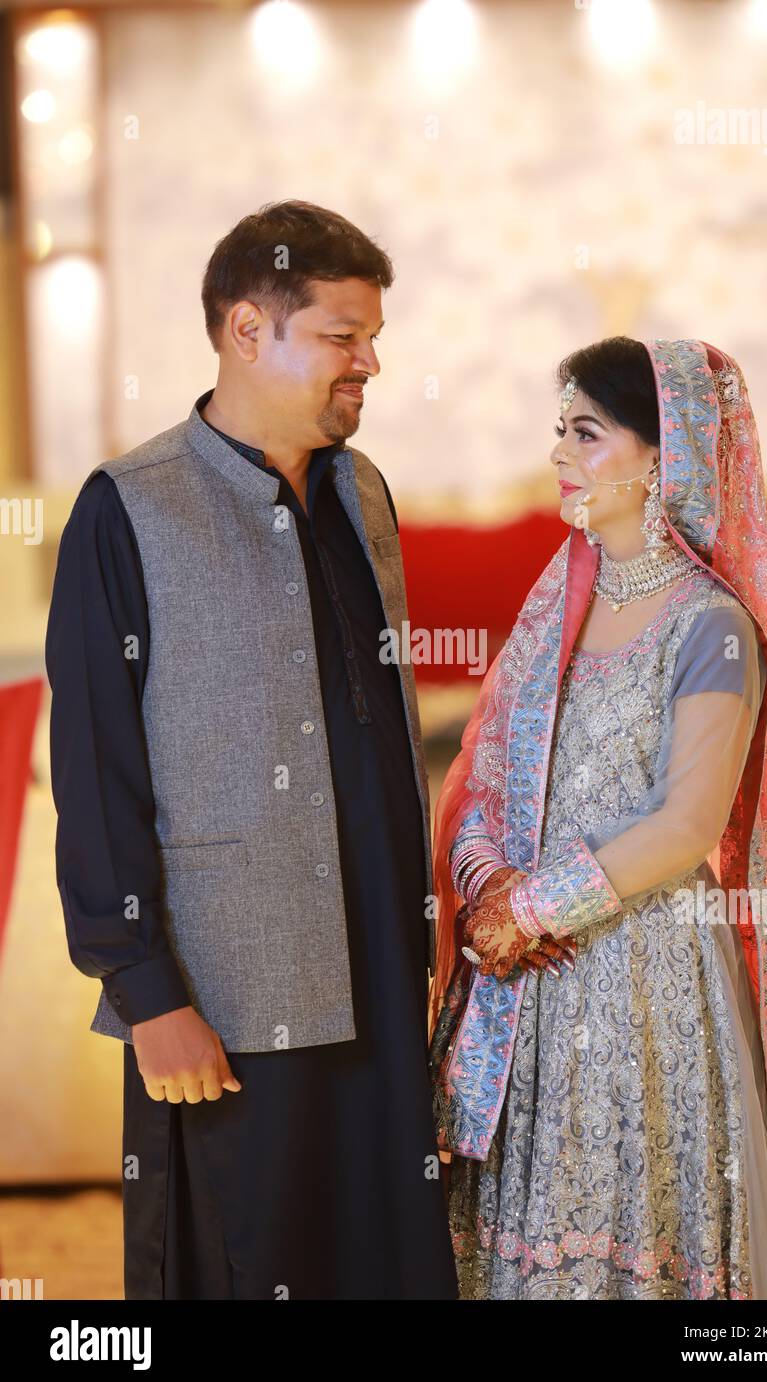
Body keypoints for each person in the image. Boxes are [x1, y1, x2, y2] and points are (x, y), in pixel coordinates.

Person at [46, 199, 457, 1300]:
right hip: (228, 995)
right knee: (237, 1265)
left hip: (380, 971)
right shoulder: (129, 508)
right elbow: (94, 773)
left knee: (386, 1261)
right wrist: (145, 991)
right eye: (341, 336)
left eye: (371, 337)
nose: (368, 361)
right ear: (245, 329)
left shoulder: (361, 492)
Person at [429, 335, 767, 1300]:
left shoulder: (709, 624)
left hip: (643, 978)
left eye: (586, 433)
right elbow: (489, 775)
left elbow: (685, 824)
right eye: (561, 432)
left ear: (664, 457)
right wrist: (483, 884)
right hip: (524, 983)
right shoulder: (557, 608)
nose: (559, 455)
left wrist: (531, 911)